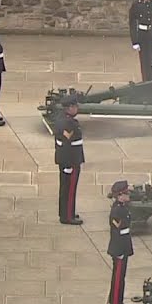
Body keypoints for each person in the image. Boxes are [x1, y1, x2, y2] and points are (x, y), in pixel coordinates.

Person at [55, 94, 85, 225]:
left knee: (67, 188)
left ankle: (67, 212)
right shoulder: (68, 123)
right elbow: (66, 145)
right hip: (70, 161)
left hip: (69, 159)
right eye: (75, 106)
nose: (76, 108)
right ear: (70, 108)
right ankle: (67, 216)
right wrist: (68, 165)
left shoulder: (64, 119)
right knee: (69, 189)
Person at [107, 180, 134, 304]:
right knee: (118, 278)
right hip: (119, 249)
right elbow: (117, 232)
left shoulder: (122, 207)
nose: (129, 195)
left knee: (120, 277)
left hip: (123, 247)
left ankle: (117, 301)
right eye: (126, 193)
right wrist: (119, 252)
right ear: (120, 195)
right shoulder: (117, 211)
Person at [129, 0, 152, 81]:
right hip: (143, 35)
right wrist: (135, 41)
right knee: (145, 60)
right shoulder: (136, 5)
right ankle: (146, 80)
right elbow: (133, 24)